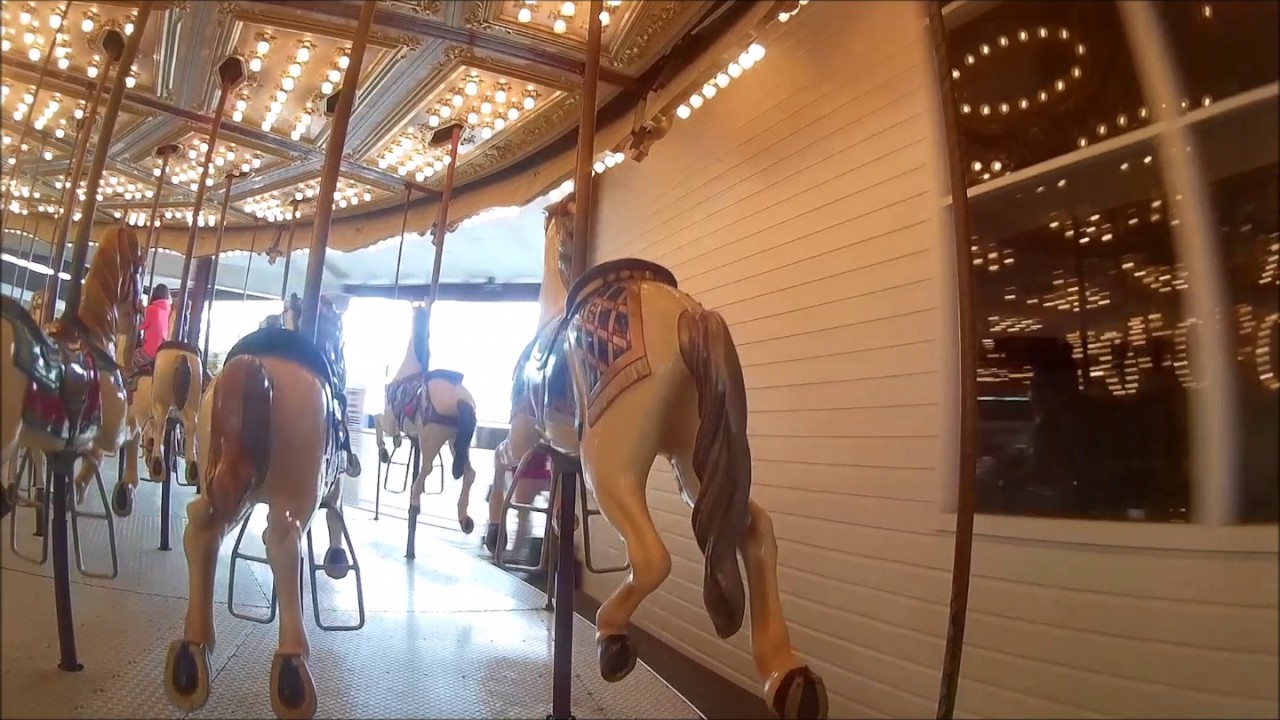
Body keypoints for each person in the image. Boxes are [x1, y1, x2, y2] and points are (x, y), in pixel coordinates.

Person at [132, 284, 172, 375]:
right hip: (161, 352)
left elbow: (140, 325)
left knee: (130, 357)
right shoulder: (167, 311)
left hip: (149, 352)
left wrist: (142, 310)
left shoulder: (152, 309)